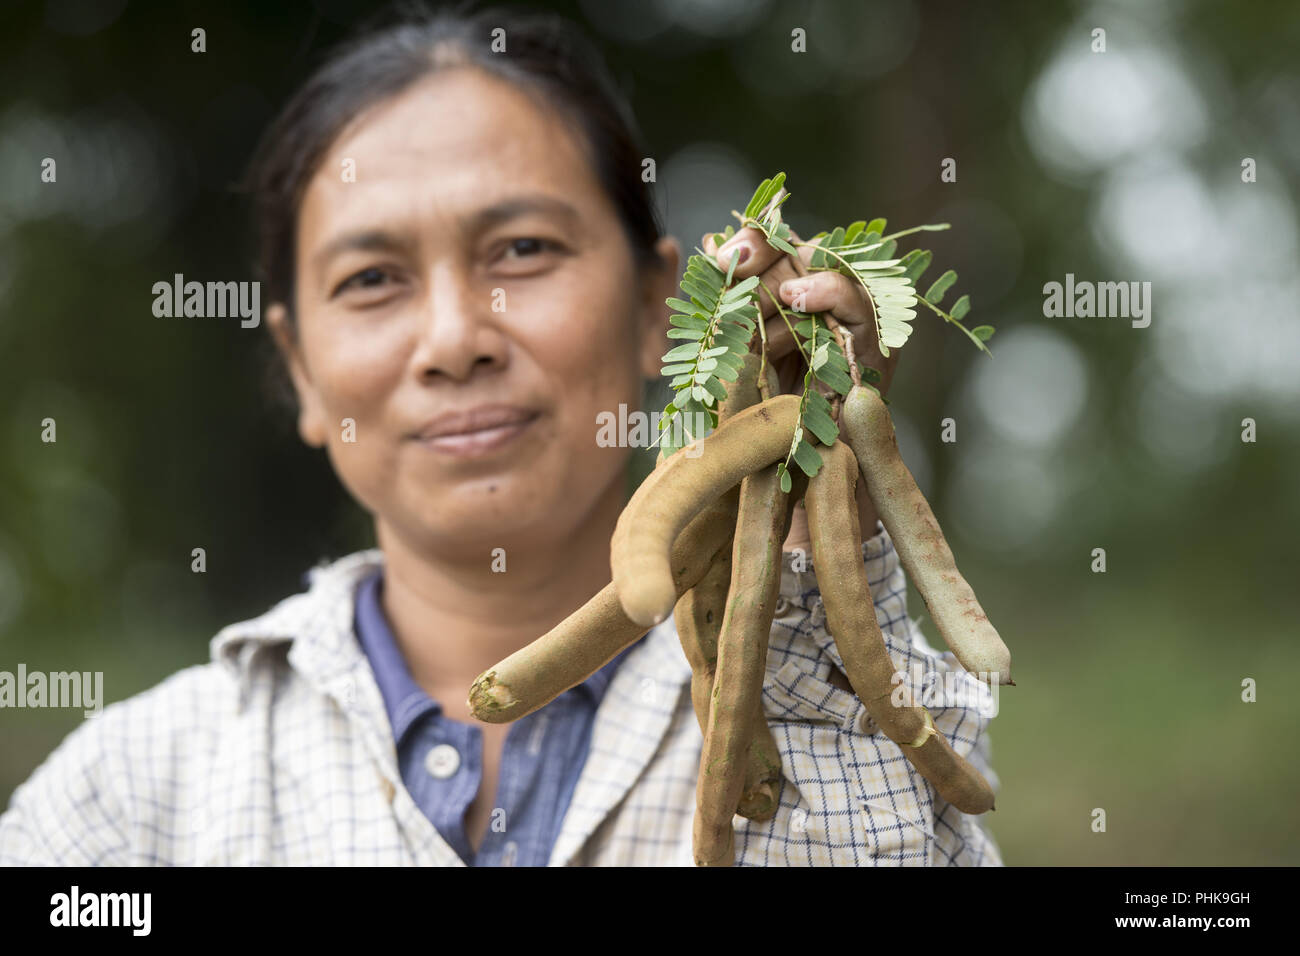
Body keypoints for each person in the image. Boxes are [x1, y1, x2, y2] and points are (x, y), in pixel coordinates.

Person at [0, 2, 1001, 866]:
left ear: (664, 307)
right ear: (302, 368)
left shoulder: (824, 699)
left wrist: (815, 523)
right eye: (371, 279)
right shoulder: (130, 793)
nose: (453, 338)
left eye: (522, 249)